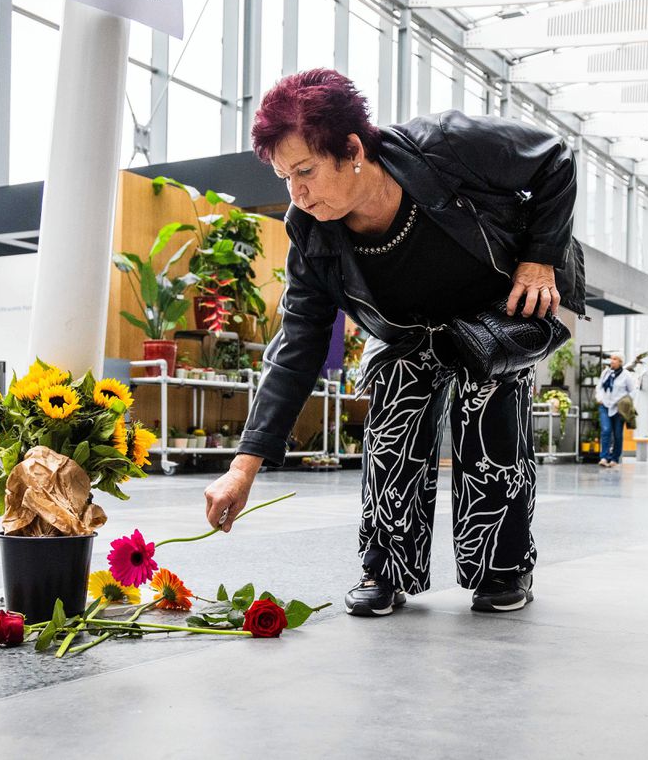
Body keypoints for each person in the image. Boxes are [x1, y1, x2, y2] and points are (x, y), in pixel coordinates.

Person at [201, 69, 586, 617]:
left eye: (306, 171)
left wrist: (539, 255)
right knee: (392, 415)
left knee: (490, 408)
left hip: (490, 316)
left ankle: (502, 569)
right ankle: (386, 568)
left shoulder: (444, 146)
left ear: (353, 149)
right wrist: (243, 468)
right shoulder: (310, 231)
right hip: (406, 331)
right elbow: (298, 344)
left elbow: (555, 157)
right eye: (287, 177)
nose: (298, 193)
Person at [595, 353, 636, 468]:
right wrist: (599, 398)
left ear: (620, 362)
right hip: (605, 405)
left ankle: (614, 459)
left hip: (619, 408)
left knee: (618, 434)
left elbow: (633, 391)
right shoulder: (606, 373)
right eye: (611, 359)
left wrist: (626, 402)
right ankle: (604, 457)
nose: (611, 361)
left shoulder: (626, 375)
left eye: (615, 359)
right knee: (606, 430)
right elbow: (599, 387)